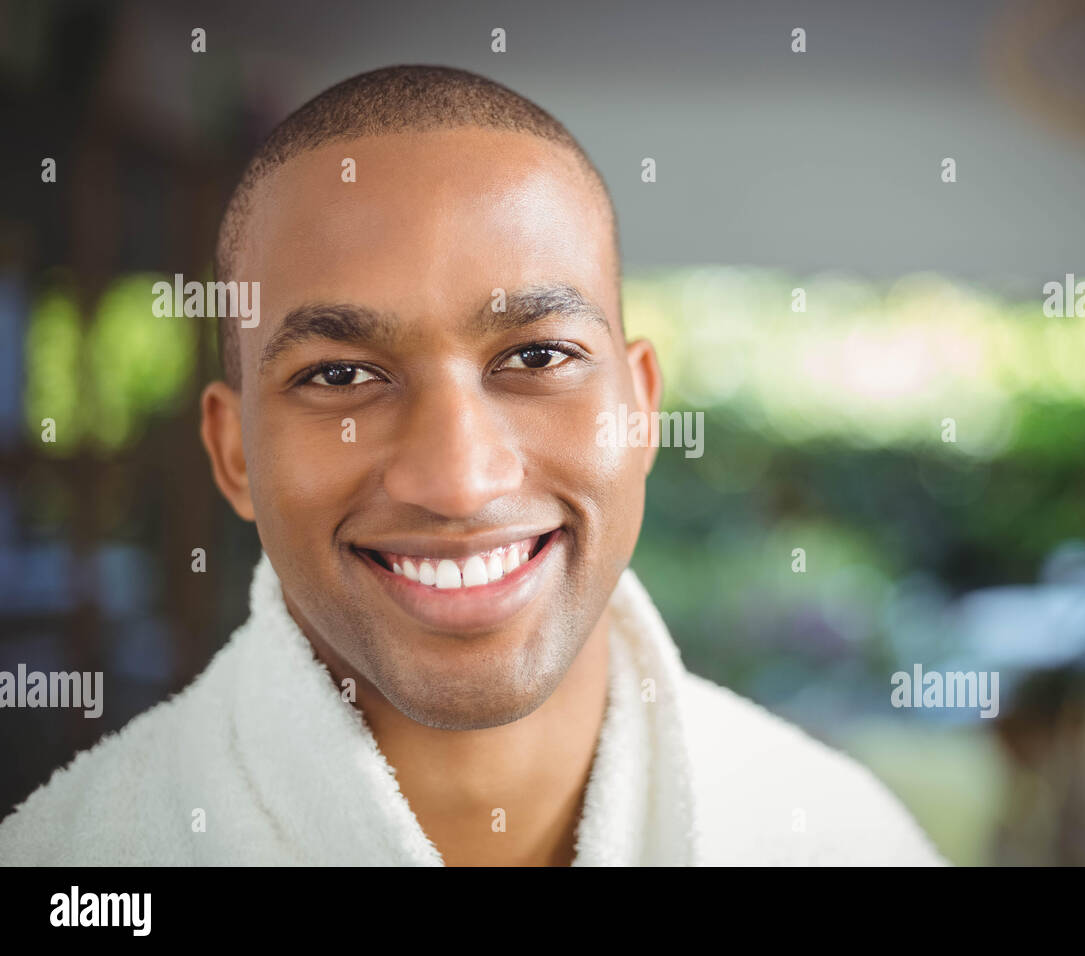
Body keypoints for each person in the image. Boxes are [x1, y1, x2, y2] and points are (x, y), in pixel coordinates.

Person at [0, 65, 945, 866]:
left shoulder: (841, 839)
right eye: (340, 374)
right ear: (234, 453)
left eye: (537, 357)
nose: (458, 481)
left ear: (642, 410)